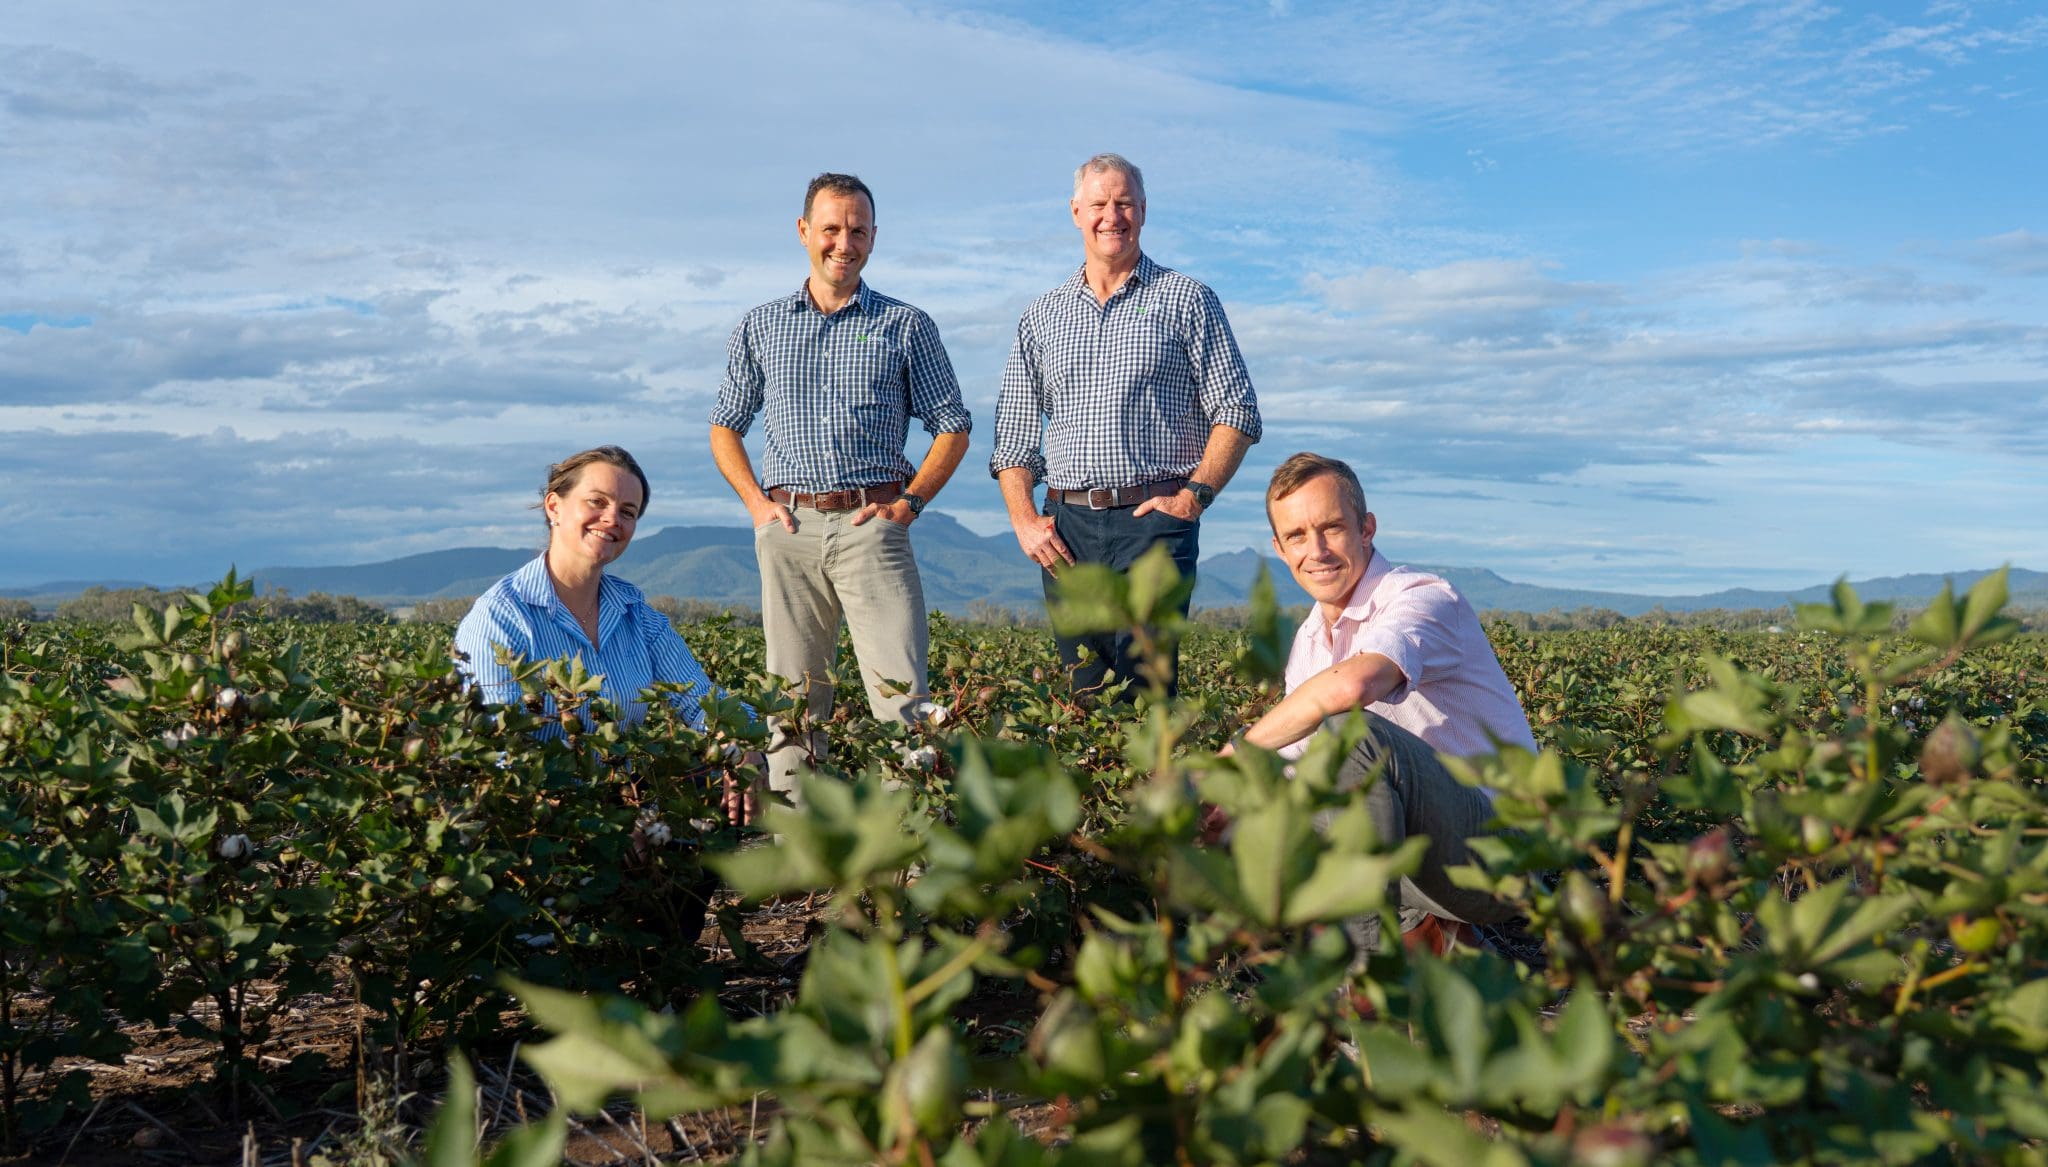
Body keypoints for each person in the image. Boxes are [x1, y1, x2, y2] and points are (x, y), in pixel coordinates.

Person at [710, 172, 972, 793]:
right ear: (804, 231)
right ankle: (798, 839)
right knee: (792, 704)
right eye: (831, 229)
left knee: (902, 700)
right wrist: (757, 505)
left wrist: (908, 505)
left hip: (872, 526)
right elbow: (725, 426)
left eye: (857, 231)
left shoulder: (906, 325)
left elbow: (953, 425)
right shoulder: (761, 325)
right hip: (789, 526)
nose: (843, 244)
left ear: (874, 237)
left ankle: (908, 840)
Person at [1228, 452, 1539, 957]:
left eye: (1332, 528)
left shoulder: (1421, 597)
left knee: (1350, 739)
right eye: (1297, 536)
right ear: (1279, 549)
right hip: (1427, 858)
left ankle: (1369, 975)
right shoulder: (1310, 642)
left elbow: (1353, 687)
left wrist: (1235, 753)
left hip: (1502, 854)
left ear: (1366, 528)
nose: (1317, 550)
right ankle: (1435, 943)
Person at [991, 152, 1260, 698]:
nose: (1111, 216)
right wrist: (1024, 519)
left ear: (1143, 211)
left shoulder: (1188, 300)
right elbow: (1014, 437)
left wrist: (1193, 498)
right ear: (1075, 212)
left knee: (1146, 692)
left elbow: (1237, 411)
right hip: (1066, 529)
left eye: (1124, 203)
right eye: (1099, 204)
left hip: (1154, 524)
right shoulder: (1041, 315)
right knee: (1082, 690)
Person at [454, 445, 754, 822]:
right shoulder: (500, 617)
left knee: (740, 779)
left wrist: (740, 745)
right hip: (535, 820)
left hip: (627, 804)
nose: (612, 519)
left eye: (627, 512)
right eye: (597, 501)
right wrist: (594, 820)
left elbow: (705, 703)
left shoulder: (636, 614)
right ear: (554, 507)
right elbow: (497, 754)